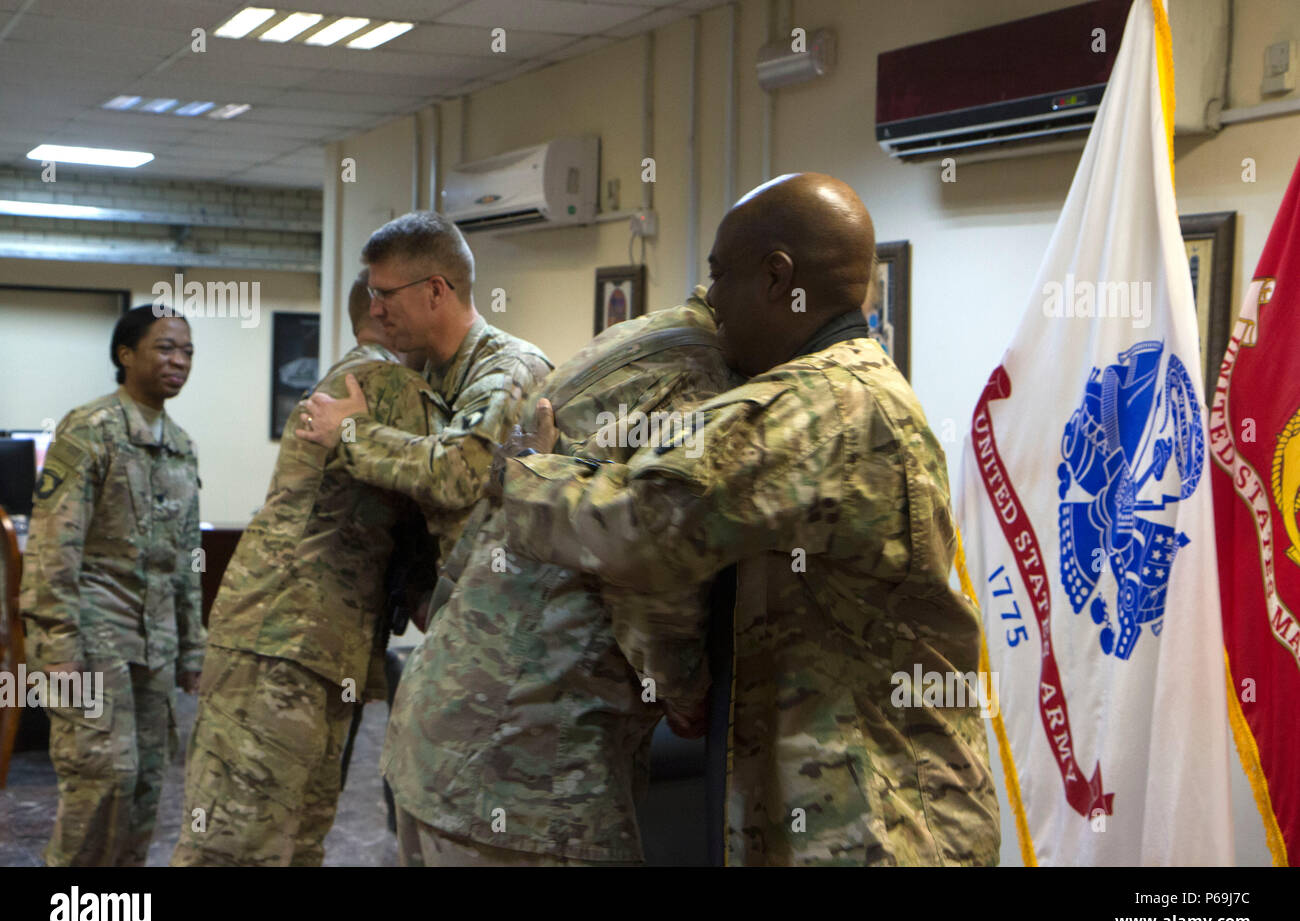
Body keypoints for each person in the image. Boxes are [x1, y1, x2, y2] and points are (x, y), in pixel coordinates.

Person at [503, 173, 1001, 866]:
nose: (709, 299)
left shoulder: (823, 406)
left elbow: (646, 530)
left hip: (879, 826)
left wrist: (532, 472)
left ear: (777, 278)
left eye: (719, 275)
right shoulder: (859, 387)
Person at [384, 291, 742, 866]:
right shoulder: (702, 380)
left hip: (448, 728)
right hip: (529, 770)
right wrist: (686, 691)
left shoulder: (631, 343)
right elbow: (646, 571)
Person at [171, 270, 439, 867]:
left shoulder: (368, 380)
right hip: (283, 643)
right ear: (385, 311)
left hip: (311, 645)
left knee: (291, 844)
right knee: (235, 847)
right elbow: (453, 482)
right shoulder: (382, 381)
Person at [20, 304, 203, 866]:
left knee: (145, 785)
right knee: (101, 780)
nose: (179, 361)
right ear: (126, 356)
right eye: (165, 347)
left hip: (156, 643)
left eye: (188, 351)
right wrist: (57, 646)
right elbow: (53, 545)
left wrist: (193, 646)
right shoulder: (89, 428)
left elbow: (187, 558)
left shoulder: (181, 444)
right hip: (92, 634)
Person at [294, 210, 552, 565]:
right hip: (455, 592)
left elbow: (457, 474)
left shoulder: (508, 370)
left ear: (434, 290)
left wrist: (352, 434)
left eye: (385, 294)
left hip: (505, 599)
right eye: (372, 293)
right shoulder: (428, 370)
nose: (375, 311)